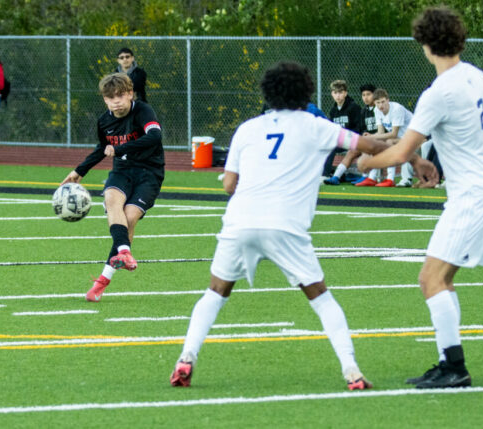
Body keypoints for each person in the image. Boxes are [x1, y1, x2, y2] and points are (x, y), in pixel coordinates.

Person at [169, 61, 437, 390]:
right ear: (306, 92)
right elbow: (371, 146)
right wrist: (414, 158)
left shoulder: (248, 129)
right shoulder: (316, 125)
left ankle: (186, 358)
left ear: (267, 93)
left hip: (240, 222)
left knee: (215, 293)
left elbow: (228, 185)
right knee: (321, 297)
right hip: (285, 225)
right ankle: (351, 370)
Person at [358, 6, 483, 389]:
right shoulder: (475, 76)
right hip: (479, 187)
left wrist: (366, 163)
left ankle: (454, 367)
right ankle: (450, 362)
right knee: (441, 279)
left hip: (471, 195)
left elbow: (399, 153)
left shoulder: (437, 93)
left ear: (426, 45)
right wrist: (472, 142)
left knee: (430, 278)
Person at [60, 73, 164, 303]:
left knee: (129, 218)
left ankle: (102, 281)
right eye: (110, 97)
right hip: (122, 171)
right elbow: (102, 148)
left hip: (149, 173)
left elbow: (155, 136)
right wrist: (79, 171)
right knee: (111, 198)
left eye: (120, 96)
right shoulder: (104, 121)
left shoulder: (143, 111)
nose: (116, 101)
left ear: (130, 94)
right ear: (105, 100)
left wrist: (121, 148)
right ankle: (124, 252)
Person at [356, 88, 415, 187]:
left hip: (414, 138)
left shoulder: (397, 109)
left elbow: (393, 134)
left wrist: (373, 137)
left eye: (383, 102)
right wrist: (371, 137)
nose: (381, 105)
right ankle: (371, 177)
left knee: (389, 142)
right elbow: (380, 132)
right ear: (374, 103)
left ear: (388, 100)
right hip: (401, 138)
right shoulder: (377, 110)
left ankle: (390, 179)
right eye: (378, 102)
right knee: (374, 142)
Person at [322, 80, 361, 185]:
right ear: (332, 94)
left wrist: (344, 136)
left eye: (340, 92)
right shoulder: (333, 111)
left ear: (345, 93)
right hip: (340, 140)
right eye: (335, 93)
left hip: (353, 139)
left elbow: (359, 128)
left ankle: (325, 175)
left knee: (332, 146)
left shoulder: (354, 107)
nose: (338, 95)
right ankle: (325, 173)